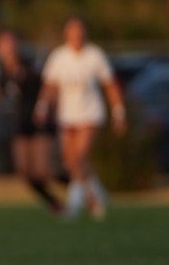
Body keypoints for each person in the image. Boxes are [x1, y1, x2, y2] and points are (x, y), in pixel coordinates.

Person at [37, 18, 126, 221]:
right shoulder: (59, 57)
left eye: (80, 33)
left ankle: (74, 206)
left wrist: (118, 112)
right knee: (71, 162)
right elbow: (50, 86)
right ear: (66, 36)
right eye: (73, 33)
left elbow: (110, 85)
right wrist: (42, 107)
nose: (77, 37)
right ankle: (96, 196)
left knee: (79, 157)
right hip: (67, 116)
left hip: (90, 114)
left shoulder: (94, 55)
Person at [0, 30, 62, 213]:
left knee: (44, 171)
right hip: (19, 123)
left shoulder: (30, 65)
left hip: (39, 122)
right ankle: (54, 202)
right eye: (2, 44)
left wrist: (47, 109)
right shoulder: (2, 70)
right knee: (25, 172)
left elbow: (48, 87)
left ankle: (77, 186)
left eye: (9, 43)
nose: (6, 48)